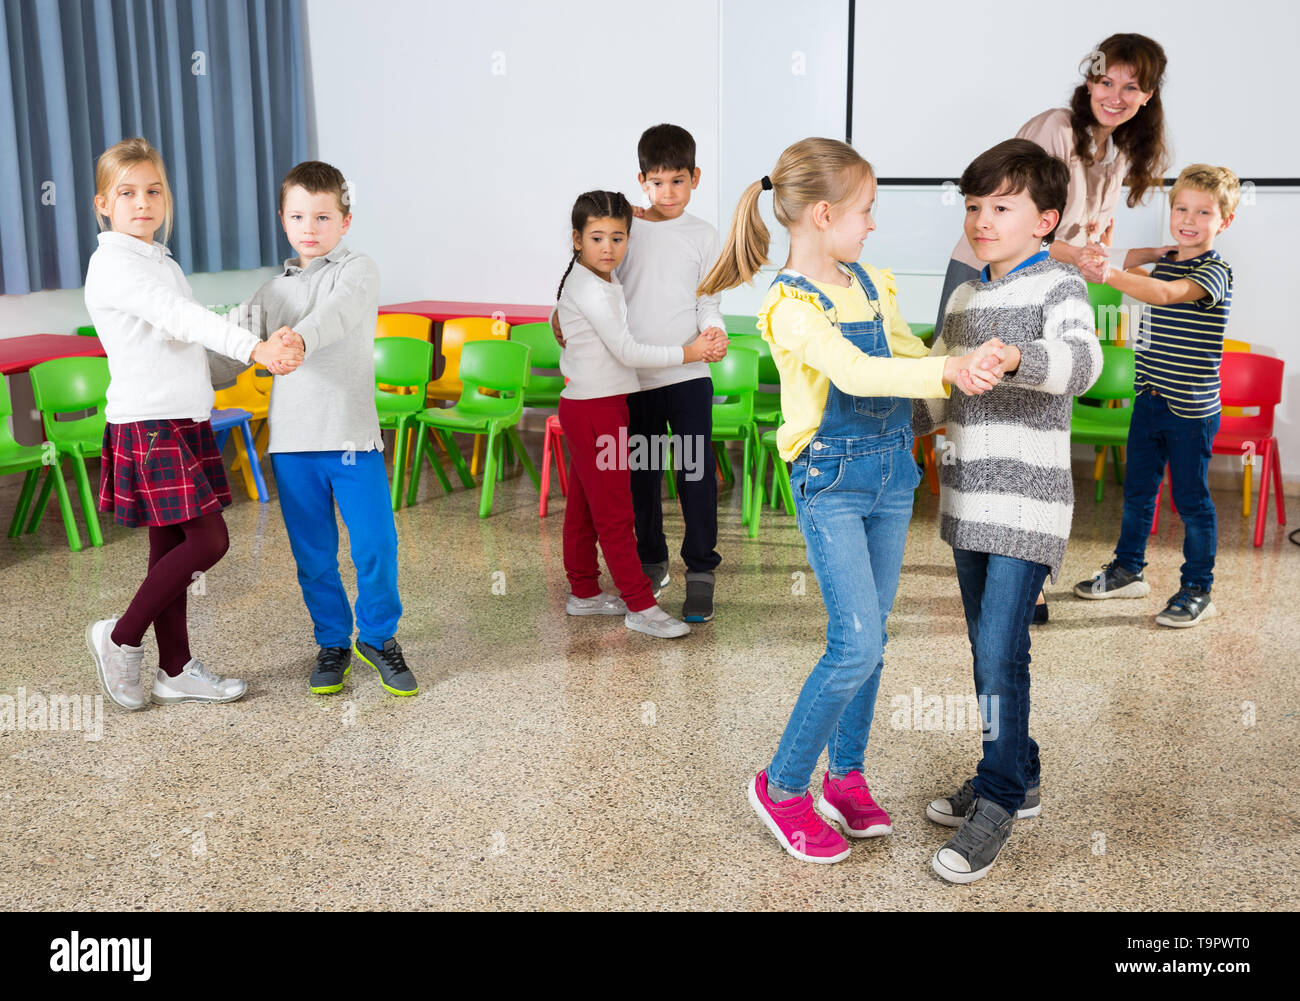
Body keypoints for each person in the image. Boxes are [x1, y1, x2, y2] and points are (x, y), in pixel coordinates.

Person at [700, 137, 1004, 864]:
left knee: (875, 640)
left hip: (892, 474)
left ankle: (846, 776)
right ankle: (783, 785)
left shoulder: (872, 282)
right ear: (825, 213)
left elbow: (906, 354)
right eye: (866, 211)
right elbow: (862, 374)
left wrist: (971, 349)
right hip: (831, 481)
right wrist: (951, 370)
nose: (872, 225)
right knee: (856, 641)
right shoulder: (787, 305)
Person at [934, 32, 1172, 624]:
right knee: (963, 392)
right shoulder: (1055, 128)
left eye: (1131, 87)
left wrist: (1131, 257)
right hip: (982, 269)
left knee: (1032, 398)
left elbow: (1090, 240)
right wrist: (1083, 257)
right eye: (1105, 80)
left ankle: (1022, 560)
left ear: (1147, 98)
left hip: (1053, 277)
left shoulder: (1116, 153)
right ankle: (978, 535)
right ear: (1088, 79)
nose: (1114, 95)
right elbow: (1020, 213)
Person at [916, 139, 1103, 883]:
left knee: (1000, 650)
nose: (982, 220)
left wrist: (1018, 356)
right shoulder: (963, 298)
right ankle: (1017, 767)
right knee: (986, 648)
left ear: (1046, 219)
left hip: (1027, 508)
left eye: (1001, 206)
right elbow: (938, 382)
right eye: (973, 206)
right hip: (966, 502)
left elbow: (1080, 365)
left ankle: (997, 798)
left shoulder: (1059, 289)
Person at [84, 137, 303, 710]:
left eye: (153, 190)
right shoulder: (114, 266)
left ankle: (174, 669)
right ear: (103, 204)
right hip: (150, 424)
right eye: (127, 193)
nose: (143, 202)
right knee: (209, 540)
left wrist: (261, 334)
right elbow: (182, 319)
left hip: (182, 419)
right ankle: (120, 635)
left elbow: (191, 335)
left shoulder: (158, 260)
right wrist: (256, 348)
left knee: (169, 552)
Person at [213, 160, 418, 696]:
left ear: (344, 222)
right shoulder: (268, 292)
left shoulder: (359, 270)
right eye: (299, 215)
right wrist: (172, 369)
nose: (311, 227)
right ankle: (332, 640)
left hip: (353, 441)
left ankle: (377, 637)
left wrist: (296, 341)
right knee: (314, 556)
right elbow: (227, 355)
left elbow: (337, 314)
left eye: (323, 217)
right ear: (283, 219)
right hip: (294, 447)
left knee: (375, 545)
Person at [555, 190, 726, 639]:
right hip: (597, 410)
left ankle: (585, 594)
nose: (608, 248)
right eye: (596, 238)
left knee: (585, 508)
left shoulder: (597, 279)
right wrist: (690, 351)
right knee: (614, 513)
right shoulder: (590, 286)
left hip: (594, 405)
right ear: (577, 240)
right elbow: (627, 349)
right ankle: (640, 604)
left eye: (618, 237)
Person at [1073, 164, 1239, 627]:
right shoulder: (1166, 258)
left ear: (1223, 222)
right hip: (1149, 398)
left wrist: (1106, 271)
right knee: (1139, 492)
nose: (1189, 218)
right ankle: (1129, 569)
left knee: (1191, 501)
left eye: (1203, 212)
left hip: (1191, 410)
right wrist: (1100, 247)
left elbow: (1165, 294)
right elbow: (1124, 261)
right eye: (1181, 207)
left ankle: (1196, 588)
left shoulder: (1215, 271)